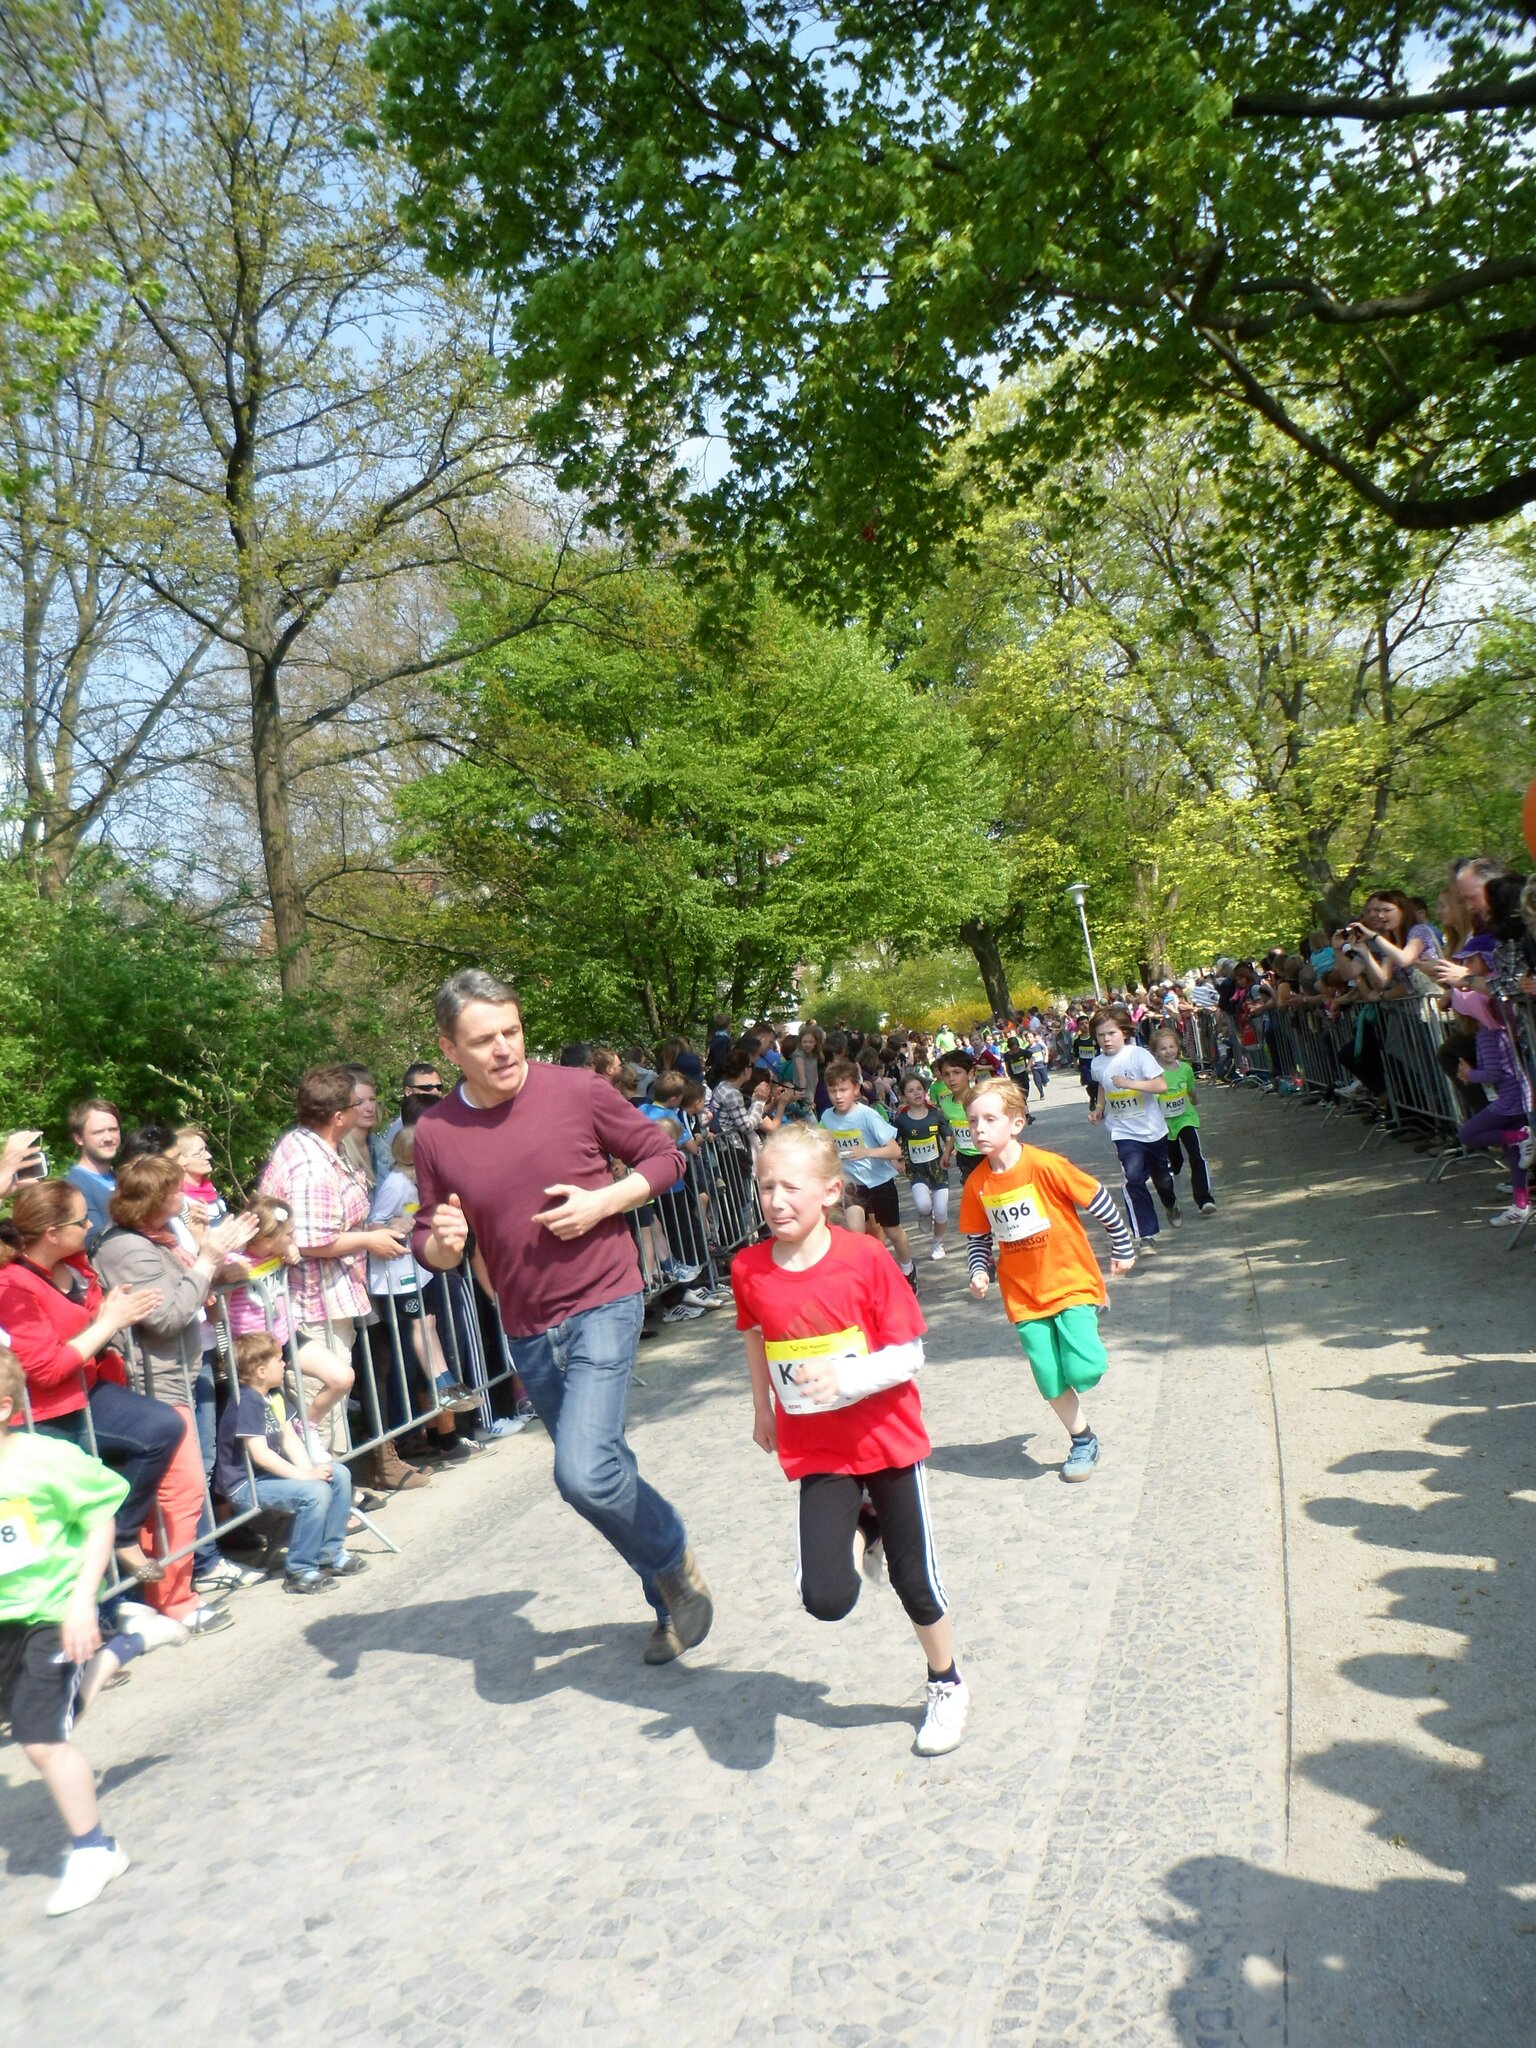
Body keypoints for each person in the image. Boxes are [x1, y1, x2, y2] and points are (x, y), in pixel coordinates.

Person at [412, 969, 713, 1666]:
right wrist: (443, 1245)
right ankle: (670, 1595)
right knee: (605, 1465)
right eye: (483, 1040)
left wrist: (602, 1203)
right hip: (526, 1325)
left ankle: (670, 1557)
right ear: (449, 1048)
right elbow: (429, 1239)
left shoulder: (577, 1090)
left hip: (604, 1298)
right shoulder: (435, 1132)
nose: (504, 1049)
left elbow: (664, 1157)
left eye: (511, 1031)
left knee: (581, 1473)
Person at [733, 1124, 968, 1756]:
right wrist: (762, 1407)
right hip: (818, 1447)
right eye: (764, 1187)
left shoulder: (864, 1257)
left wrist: (846, 1376)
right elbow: (755, 1334)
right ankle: (865, 1522)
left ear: (831, 1192)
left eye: (791, 1186)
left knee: (915, 1581)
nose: (776, 1200)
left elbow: (909, 1354)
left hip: (887, 1438)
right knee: (826, 1599)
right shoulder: (748, 1267)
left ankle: (945, 1683)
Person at [0, 1348, 153, 1916]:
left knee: (41, 1740)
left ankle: (95, 1849)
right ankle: (124, 1647)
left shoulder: (44, 1459)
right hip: (3, 1621)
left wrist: (83, 1602)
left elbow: (98, 1517)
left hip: (52, 1612)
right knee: (45, 1722)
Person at [93, 1154, 258, 1625]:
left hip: (179, 1376)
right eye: (171, 1190)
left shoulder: (157, 1238)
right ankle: (173, 1601)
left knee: (179, 1493)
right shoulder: (128, 1249)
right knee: (180, 1492)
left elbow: (189, 1293)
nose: (181, 1195)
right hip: (155, 1383)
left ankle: (169, 1593)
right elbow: (166, 1318)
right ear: (151, 1199)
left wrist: (210, 1252)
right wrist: (205, 1260)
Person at [0, 1181, 184, 1592]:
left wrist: (112, 1306)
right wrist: (108, 1322)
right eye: (81, 1219)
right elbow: (46, 1370)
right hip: (49, 1413)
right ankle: (90, 1607)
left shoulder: (76, 1263)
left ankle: (120, 1534)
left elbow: (85, 1320)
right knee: (73, 1502)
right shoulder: (12, 1285)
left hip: (90, 1391)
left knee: (162, 1428)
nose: (90, 1224)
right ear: (51, 1233)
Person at [959, 1078, 1136, 1482]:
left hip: (1070, 1279)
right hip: (1022, 1295)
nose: (979, 1129)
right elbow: (977, 1237)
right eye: (972, 1122)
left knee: (1084, 1368)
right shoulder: (977, 1184)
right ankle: (1083, 1439)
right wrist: (979, 1270)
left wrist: (1122, 1246)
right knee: (1049, 1375)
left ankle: (1087, 1326)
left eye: (990, 1119)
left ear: (1016, 1123)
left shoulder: (1044, 1165)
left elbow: (1098, 1199)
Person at [260, 1066, 417, 1492]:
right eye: (356, 1103)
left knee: (331, 1398)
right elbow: (309, 1240)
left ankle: (337, 1490)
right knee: (320, 1404)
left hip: (332, 1297)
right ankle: (328, 1498)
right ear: (337, 1116)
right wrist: (370, 1239)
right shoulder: (310, 1165)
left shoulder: (318, 1148)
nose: (364, 1108)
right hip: (313, 1303)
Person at [215, 1333, 365, 1594]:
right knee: (314, 1491)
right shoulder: (247, 1401)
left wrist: (309, 1469)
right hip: (246, 1484)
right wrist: (304, 1477)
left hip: (270, 1477)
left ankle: (330, 1553)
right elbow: (260, 1455)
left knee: (337, 1474)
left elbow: (288, 1437)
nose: (284, 1364)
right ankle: (300, 1570)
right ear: (261, 1371)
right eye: (279, 1360)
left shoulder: (272, 1394)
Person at [820, 1059, 917, 1286]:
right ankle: (868, 1278)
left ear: (856, 1089)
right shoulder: (827, 1117)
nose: (838, 1096)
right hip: (853, 1185)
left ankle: (907, 1269)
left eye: (843, 1090)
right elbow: (824, 1143)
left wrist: (867, 1152)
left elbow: (894, 1150)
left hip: (880, 1182)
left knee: (892, 1231)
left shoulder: (867, 1115)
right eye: (833, 1091)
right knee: (856, 1235)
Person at [1088, 1006, 1177, 1246]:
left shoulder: (1138, 1055)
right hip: (1123, 1131)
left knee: (1163, 1180)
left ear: (1124, 1033)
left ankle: (1170, 1203)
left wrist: (1129, 1082)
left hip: (1152, 1129)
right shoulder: (1097, 1063)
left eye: (1111, 1033)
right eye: (1100, 1035)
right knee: (1134, 1178)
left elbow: (1160, 1086)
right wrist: (1098, 1108)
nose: (1106, 1039)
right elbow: (1102, 1085)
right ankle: (1146, 1235)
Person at [1449, 989, 1533, 1227]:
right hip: (1517, 1098)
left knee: (1467, 1134)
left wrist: (1469, 1074)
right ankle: (1520, 1205)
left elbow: (1494, 1072)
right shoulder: (1498, 1029)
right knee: (1514, 1157)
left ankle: (1521, 1136)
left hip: (1508, 1102)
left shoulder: (1486, 1034)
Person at [1150, 1026, 1217, 1214]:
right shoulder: (1153, 1074)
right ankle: (1172, 1189)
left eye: (1172, 1047)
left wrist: (1194, 1100)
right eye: (1163, 1048)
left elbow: (1190, 1089)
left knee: (1196, 1156)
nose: (1168, 1051)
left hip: (1186, 1118)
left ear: (1177, 1048)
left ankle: (1205, 1200)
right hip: (1165, 1124)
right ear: (1155, 1052)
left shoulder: (1186, 1068)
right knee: (1175, 1161)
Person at [893, 1070, 951, 1260]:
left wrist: (949, 1151)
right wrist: (896, 1160)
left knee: (941, 1210)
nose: (916, 1093)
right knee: (924, 1205)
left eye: (919, 1089)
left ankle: (937, 1242)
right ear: (904, 1096)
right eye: (911, 1091)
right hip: (916, 1171)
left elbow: (948, 1137)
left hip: (938, 1169)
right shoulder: (901, 1120)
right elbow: (892, 1142)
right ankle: (925, 1214)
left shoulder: (936, 1114)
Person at [65, 1100, 122, 1241]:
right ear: (79, 1138)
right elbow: (96, 1242)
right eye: (98, 1132)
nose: (108, 1138)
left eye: (113, 1129)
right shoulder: (74, 1187)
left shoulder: (123, 1178)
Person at [932, 1048, 986, 1181]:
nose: (951, 1079)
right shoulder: (945, 1105)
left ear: (969, 1074)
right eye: (946, 1074)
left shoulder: (982, 1100)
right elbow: (957, 1131)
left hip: (985, 1154)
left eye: (956, 1072)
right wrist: (947, 1152)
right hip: (964, 1158)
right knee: (971, 1192)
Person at [383, 1061, 447, 1147]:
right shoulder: (400, 1132)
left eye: (439, 1087)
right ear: (408, 1092)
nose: (435, 1092)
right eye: (427, 1088)